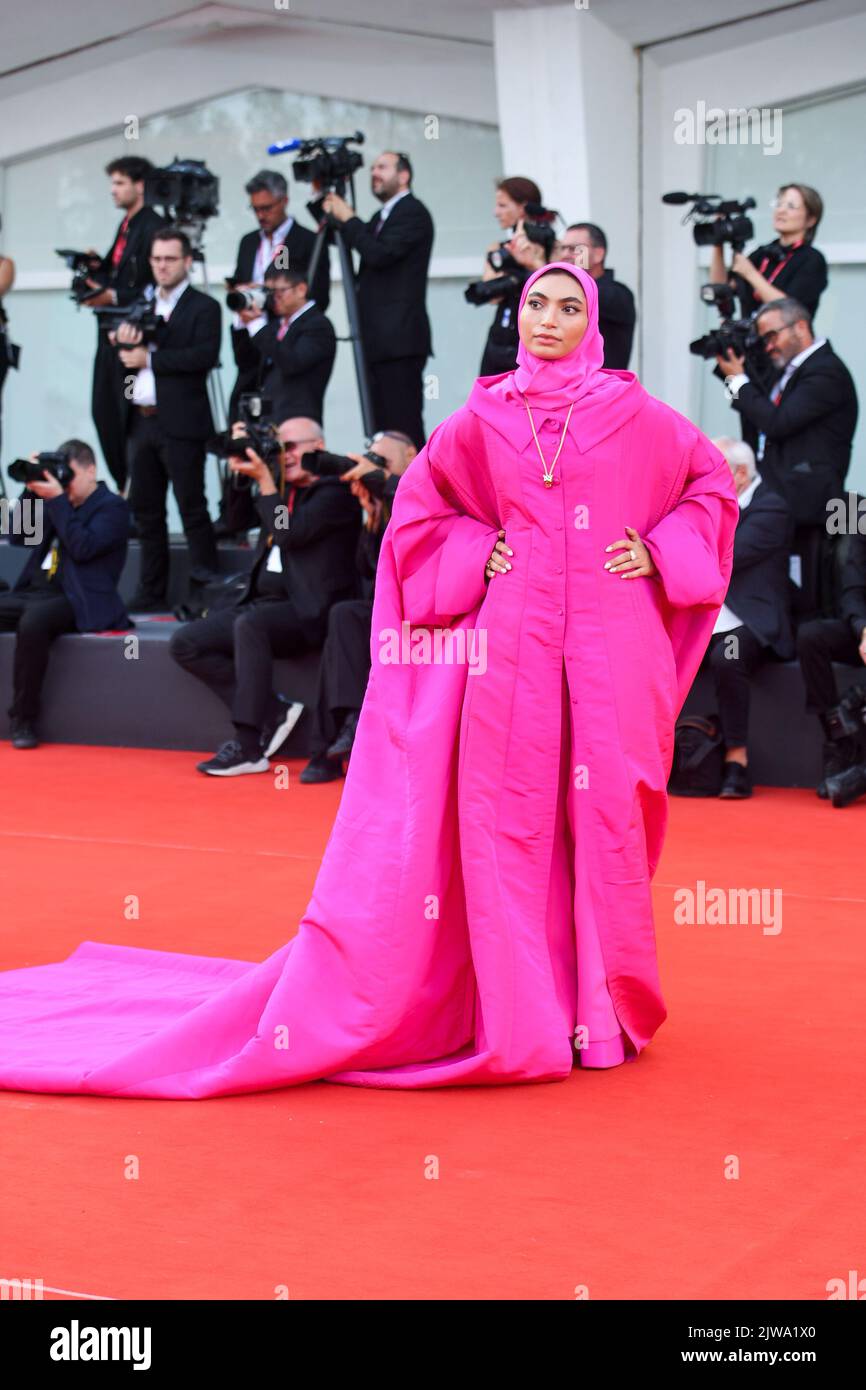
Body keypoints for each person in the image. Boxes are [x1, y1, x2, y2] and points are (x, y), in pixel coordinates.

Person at [0, 262, 738, 1098]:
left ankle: (595, 1012)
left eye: (569, 308)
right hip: (510, 655)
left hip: (609, 650)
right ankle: (522, 1008)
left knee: (603, 820)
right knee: (508, 826)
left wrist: (659, 551)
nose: (548, 319)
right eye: (536, 302)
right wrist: (478, 551)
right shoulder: (481, 418)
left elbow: (710, 488)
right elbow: (422, 515)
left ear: (591, 324)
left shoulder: (637, 417)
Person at [169, 417, 361, 776]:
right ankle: (273, 712)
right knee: (186, 642)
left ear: (318, 447)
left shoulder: (336, 493)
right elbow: (234, 520)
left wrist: (266, 482)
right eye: (279, 448)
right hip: (262, 602)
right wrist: (243, 473)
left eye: (292, 447)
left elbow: (288, 533)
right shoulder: (281, 487)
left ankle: (248, 744)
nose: (284, 455)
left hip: (309, 609)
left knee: (251, 624)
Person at [716, 296, 858, 621]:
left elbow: (778, 423)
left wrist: (739, 381)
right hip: (780, 497)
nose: (767, 346)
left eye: (772, 336)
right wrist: (732, 379)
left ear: (801, 327)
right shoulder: (789, 372)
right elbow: (756, 416)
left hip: (808, 505)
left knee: (808, 599)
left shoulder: (826, 371)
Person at [299, 430, 416, 785]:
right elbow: (369, 570)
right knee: (343, 616)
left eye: (381, 462)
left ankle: (336, 739)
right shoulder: (382, 500)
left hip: (426, 613)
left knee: (346, 617)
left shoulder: (427, 484)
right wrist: (372, 517)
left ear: (411, 455)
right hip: (385, 611)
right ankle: (331, 740)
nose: (373, 471)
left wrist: (383, 487)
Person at [0, 440, 131, 751]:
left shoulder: (112, 507)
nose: (65, 484)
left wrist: (58, 499)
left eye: (68, 476)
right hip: (35, 590)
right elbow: (20, 537)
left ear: (91, 471)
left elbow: (83, 548)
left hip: (79, 597)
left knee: (34, 622)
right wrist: (32, 490)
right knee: (31, 612)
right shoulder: (55, 500)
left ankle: (23, 717)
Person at [116, 228, 221, 613]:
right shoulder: (140, 303)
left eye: (170, 259)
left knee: (192, 507)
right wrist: (123, 346)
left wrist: (150, 358)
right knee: (146, 510)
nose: (162, 266)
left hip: (182, 423)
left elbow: (204, 357)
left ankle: (204, 590)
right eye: (156, 259)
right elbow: (125, 364)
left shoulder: (204, 307)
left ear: (187, 261)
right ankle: (151, 590)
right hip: (141, 420)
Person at [699, 437, 795, 800]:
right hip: (703, 615)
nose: (704, 476)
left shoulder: (772, 507)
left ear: (740, 474)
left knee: (728, 656)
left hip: (748, 620)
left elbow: (727, 557)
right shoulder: (706, 504)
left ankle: (736, 760)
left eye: (714, 469)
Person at [321, 151, 434, 449]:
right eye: (372, 168)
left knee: (404, 426)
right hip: (377, 340)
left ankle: (416, 478)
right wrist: (323, 200)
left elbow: (378, 254)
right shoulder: (380, 217)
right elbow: (348, 238)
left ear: (404, 175)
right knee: (382, 429)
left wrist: (348, 217)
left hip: (399, 341)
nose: (374, 173)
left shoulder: (412, 212)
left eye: (382, 167)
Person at [86, 157, 167, 492]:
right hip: (109, 333)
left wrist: (114, 296)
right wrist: (96, 269)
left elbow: (153, 286)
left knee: (123, 412)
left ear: (140, 185)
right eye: (113, 183)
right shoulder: (127, 225)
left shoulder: (153, 226)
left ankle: (130, 488)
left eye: (120, 183)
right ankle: (125, 485)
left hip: (131, 337)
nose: (113, 191)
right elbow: (119, 273)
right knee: (104, 410)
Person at [796, 529, 866, 798]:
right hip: (862, 632)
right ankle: (839, 742)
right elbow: (852, 592)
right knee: (811, 638)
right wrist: (862, 629)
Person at [229, 265, 336, 426]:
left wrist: (257, 327)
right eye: (268, 292)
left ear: (301, 290)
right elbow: (246, 362)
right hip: (266, 419)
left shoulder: (317, 325)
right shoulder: (275, 325)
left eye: (279, 292)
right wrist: (243, 323)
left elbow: (291, 362)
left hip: (297, 421)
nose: (273, 299)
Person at [710, 182, 828, 325]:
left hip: (787, 338)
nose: (781, 210)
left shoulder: (812, 259)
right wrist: (718, 241)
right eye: (779, 204)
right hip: (750, 336)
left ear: (811, 220)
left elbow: (790, 311)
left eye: (791, 206)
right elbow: (721, 288)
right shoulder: (763, 253)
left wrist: (750, 274)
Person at [478, 176, 544, 378]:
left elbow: (557, 289)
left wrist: (534, 263)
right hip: (500, 338)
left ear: (523, 208)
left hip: (536, 342)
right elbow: (491, 295)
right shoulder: (499, 249)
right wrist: (507, 261)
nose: (495, 212)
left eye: (502, 205)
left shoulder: (551, 246)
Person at [555, 223, 636, 369]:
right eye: (563, 248)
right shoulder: (563, 289)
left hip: (604, 383)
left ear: (598, 254)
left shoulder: (619, 295)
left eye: (574, 249)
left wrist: (540, 268)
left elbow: (587, 293)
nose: (565, 254)